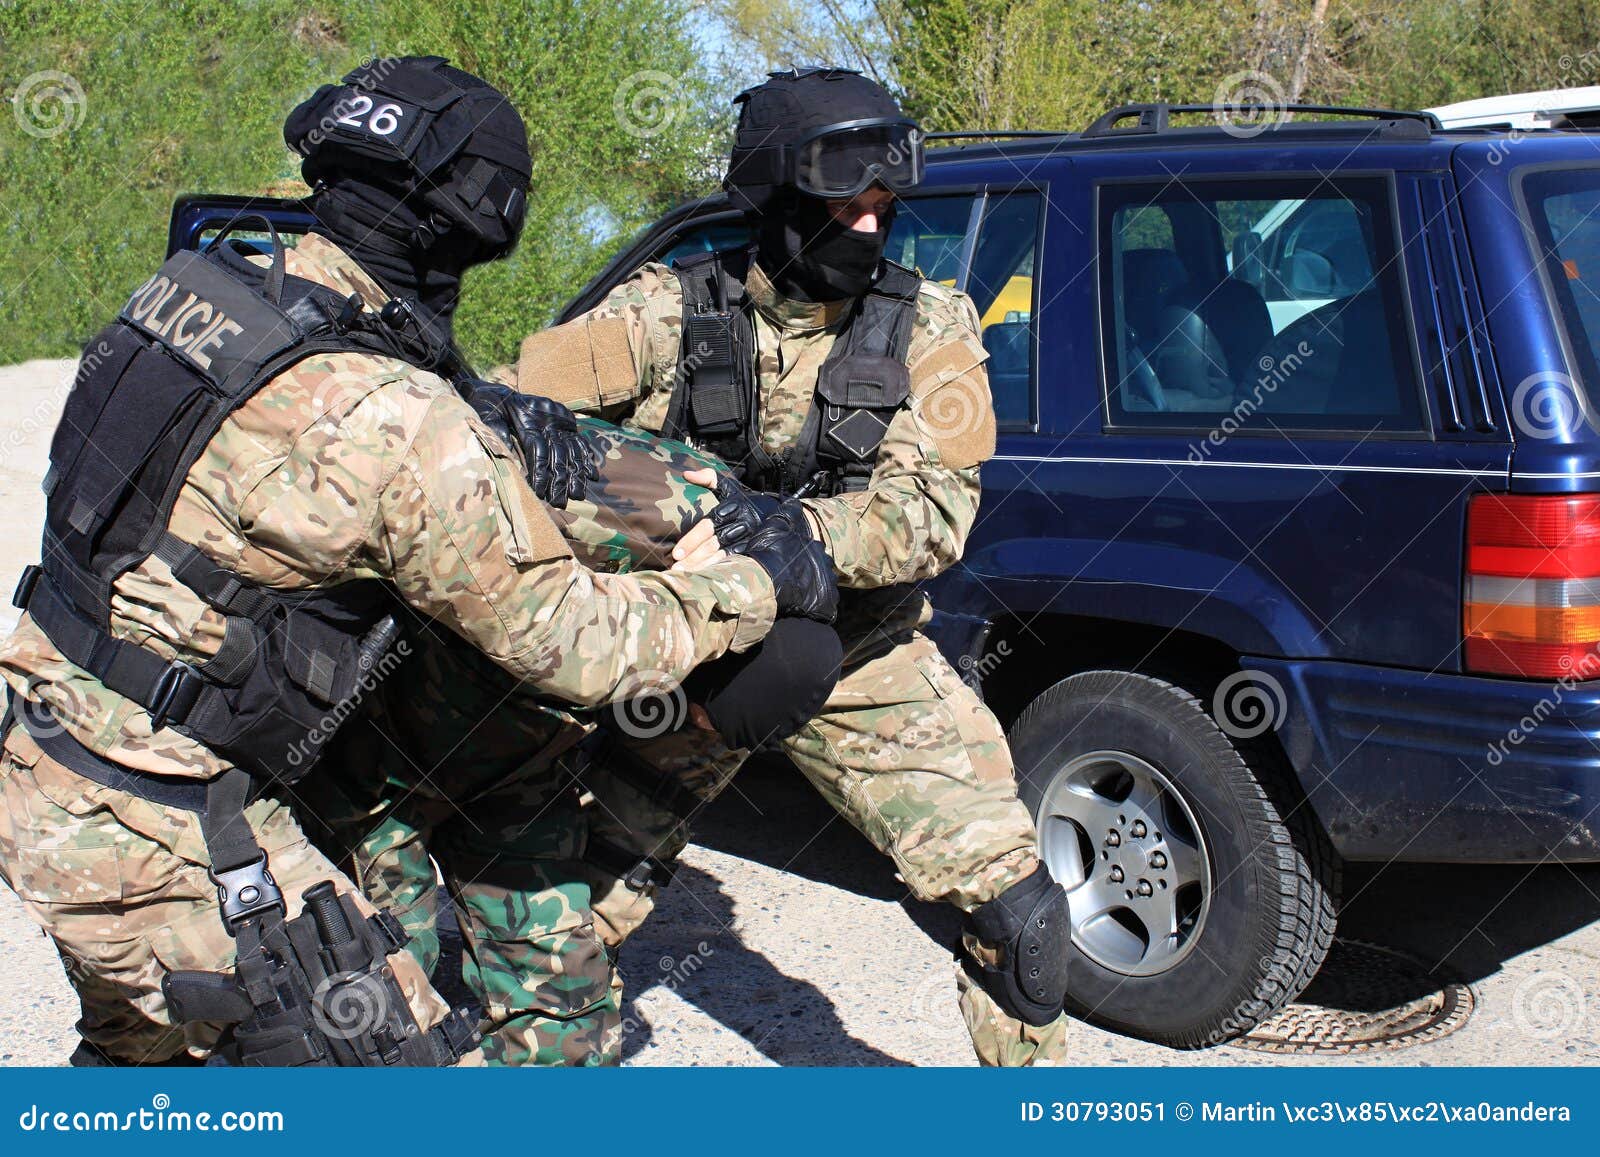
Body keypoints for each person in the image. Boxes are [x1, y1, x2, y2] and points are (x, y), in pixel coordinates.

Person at [0, 55, 830, 1067]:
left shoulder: (193, 291)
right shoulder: (399, 419)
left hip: (39, 759)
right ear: (478, 226)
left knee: (143, 1063)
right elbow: (580, 646)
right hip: (172, 835)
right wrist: (748, 584)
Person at [398, 67, 1074, 1066]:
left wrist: (781, 539)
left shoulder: (929, 324)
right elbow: (505, 429)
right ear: (779, 202)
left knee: (1024, 923)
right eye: (847, 205)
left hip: (862, 650)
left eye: (885, 204)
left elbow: (931, 514)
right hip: (698, 648)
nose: (873, 227)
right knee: (561, 934)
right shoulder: (664, 313)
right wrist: (649, 524)